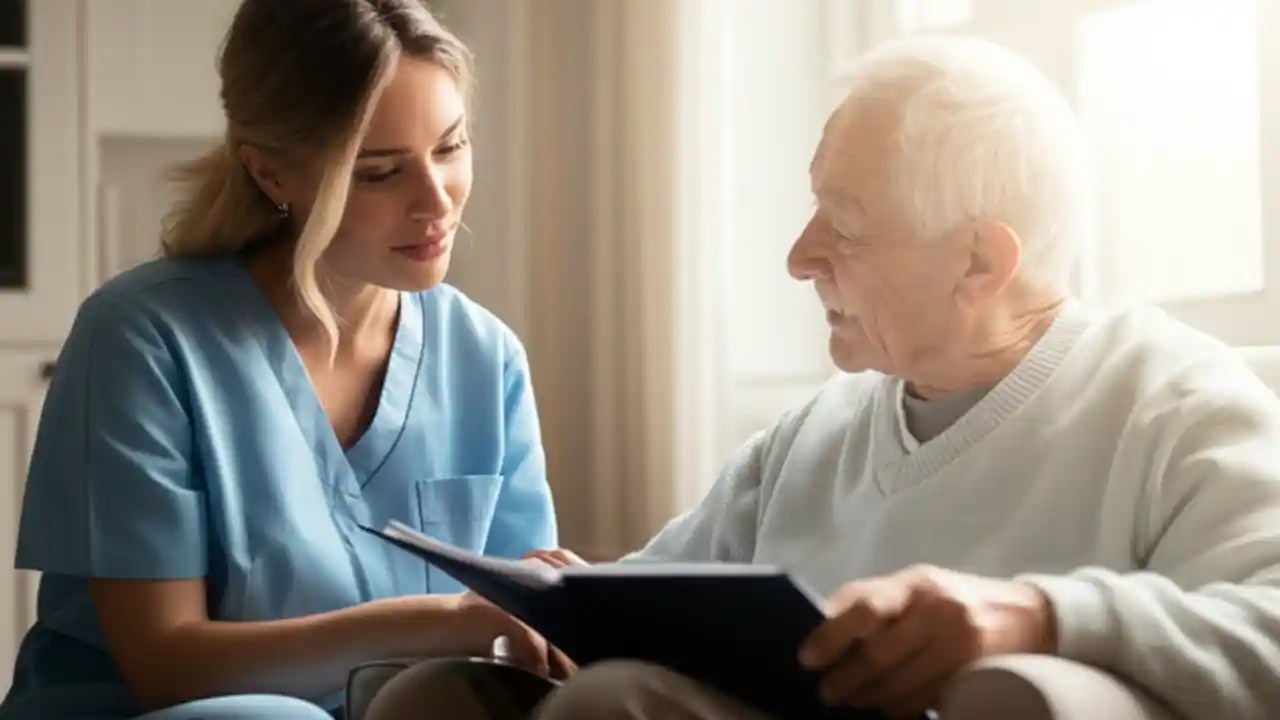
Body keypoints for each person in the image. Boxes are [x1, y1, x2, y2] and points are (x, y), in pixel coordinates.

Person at [374, 35, 1280, 720]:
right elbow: (656, 598)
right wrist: (564, 611)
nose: (800, 257)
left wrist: (1039, 617)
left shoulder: (1172, 400)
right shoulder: (814, 436)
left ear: (979, 262)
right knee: (443, 697)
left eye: (843, 226)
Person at [0, 2, 568, 719]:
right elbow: (166, 666)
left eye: (451, 148)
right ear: (271, 174)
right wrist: (442, 621)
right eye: (379, 173)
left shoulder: (486, 358)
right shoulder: (142, 339)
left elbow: (520, 625)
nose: (437, 200)